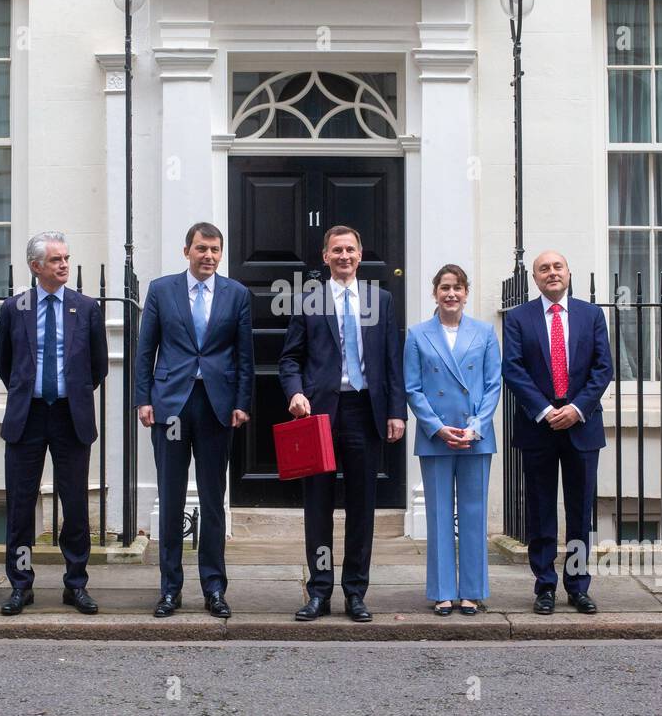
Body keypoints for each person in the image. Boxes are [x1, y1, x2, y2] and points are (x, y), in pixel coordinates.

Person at [279, 225, 406, 622]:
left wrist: (396, 411)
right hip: (319, 414)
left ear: (361, 252)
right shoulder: (309, 300)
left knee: (361, 507)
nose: (344, 256)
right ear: (325, 256)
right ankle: (319, 591)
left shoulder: (380, 300)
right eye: (337, 250)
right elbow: (289, 359)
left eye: (350, 249)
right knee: (317, 506)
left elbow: (391, 361)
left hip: (364, 412)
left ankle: (355, 592)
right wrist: (295, 392)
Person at [135, 222, 254, 618]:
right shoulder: (161, 290)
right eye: (201, 248)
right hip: (171, 404)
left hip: (216, 405)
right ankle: (170, 589)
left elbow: (244, 355)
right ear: (186, 250)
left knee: (212, 499)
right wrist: (143, 399)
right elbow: (145, 347)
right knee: (170, 499)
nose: (209, 256)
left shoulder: (235, 294)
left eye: (215, 250)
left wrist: (242, 402)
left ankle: (214, 588)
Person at [0, 231, 109, 616]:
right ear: (35, 266)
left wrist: (70, 391)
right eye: (56, 260)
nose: (64, 265)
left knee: (75, 504)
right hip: (27, 416)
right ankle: (21, 585)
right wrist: (30, 389)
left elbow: (98, 366)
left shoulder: (85, 307)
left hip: (69, 414)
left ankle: (75, 584)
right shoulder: (16, 307)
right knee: (21, 506)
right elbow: (4, 363)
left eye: (66, 258)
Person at [502, 250, 613, 616]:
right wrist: (547, 410)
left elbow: (603, 368)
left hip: (581, 424)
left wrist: (577, 408)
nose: (552, 273)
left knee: (581, 512)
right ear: (535, 278)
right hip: (540, 427)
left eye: (557, 267)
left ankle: (578, 586)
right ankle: (545, 585)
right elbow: (514, 370)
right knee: (540, 510)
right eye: (543, 269)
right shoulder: (519, 318)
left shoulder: (591, 314)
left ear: (569, 272)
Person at [404, 264, 501, 616]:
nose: (451, 294)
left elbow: (493, 385)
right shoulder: (417, 334)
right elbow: (412, 388)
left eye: (458, 287)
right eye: (445, 287)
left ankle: (472, 591)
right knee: (440, 514)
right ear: (434, 292)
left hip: (475, 436)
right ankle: (443, 590)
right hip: (436, 437)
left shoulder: (485, 332)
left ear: (466, 292)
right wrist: (437, 427)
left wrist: (475, 426)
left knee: (473, 514)